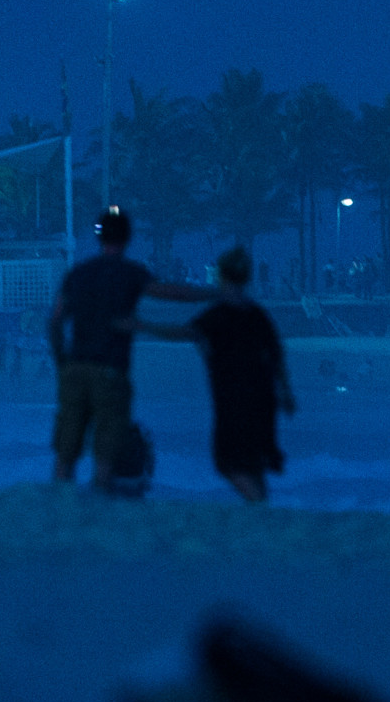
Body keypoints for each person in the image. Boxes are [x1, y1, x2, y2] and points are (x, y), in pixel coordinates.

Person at [48, 210, 211, 491]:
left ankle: (61, 503)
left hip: (75, 368)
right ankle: (99, 499)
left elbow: (55, 320)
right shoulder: (129, 273)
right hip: (110, 371)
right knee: (106, 451)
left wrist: (62, 360)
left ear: (99, 238)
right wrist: (213, 293)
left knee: (66, 451)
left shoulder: (78, 273)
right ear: (127, 238)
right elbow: (171, 293)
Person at [141, 247, 295, 502]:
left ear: (222, 277)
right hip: (262, 397)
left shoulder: (218, 315)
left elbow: (184, 333)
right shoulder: (257, 314)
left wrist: (143, 326)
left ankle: (258, 503)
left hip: (232, 398)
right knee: (253, 460)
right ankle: (261, 507)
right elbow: (276, 354)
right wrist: (285, 392)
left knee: (227, 462)